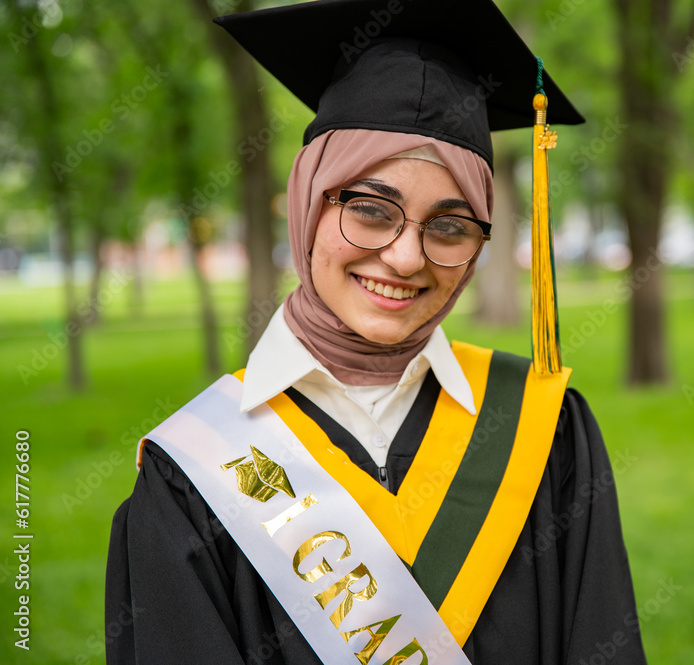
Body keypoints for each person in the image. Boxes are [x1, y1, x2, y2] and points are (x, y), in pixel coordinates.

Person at [105, 1, 647, 663]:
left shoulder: (545, 428)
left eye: (450, 224)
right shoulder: (192, 474)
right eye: (369, 208)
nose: (405, 257)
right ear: (309, 200)